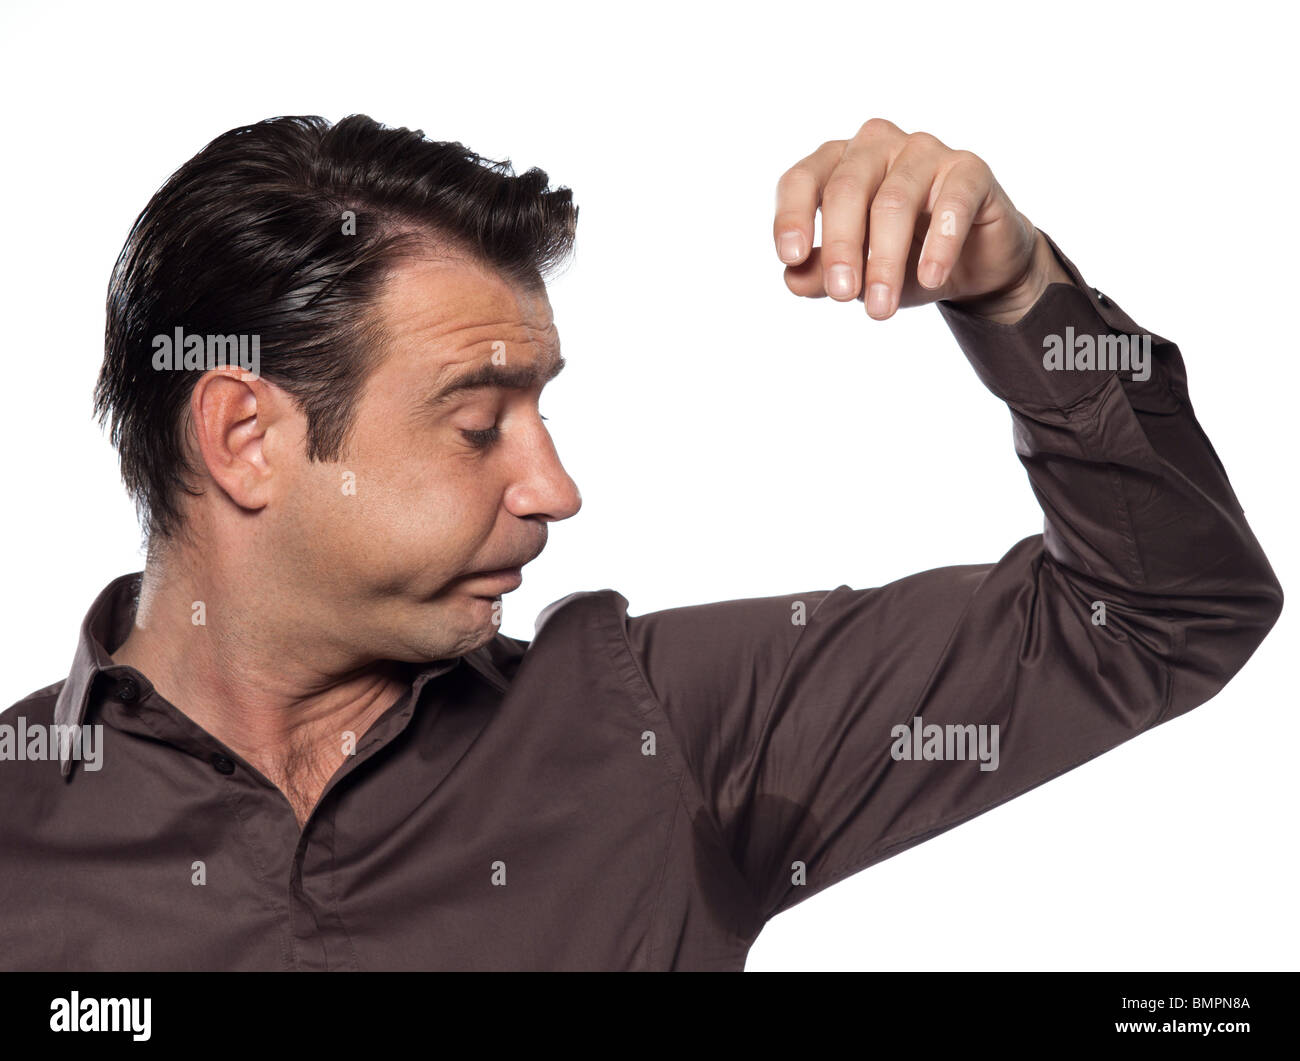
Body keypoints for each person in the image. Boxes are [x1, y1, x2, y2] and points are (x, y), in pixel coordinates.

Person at [0, 114, 1281, 971]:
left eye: (541, 410)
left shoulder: (667, 725)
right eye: (477, 421)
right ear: (244, 437)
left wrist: (1017, 297)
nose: (556, 487)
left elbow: (1161, 615)